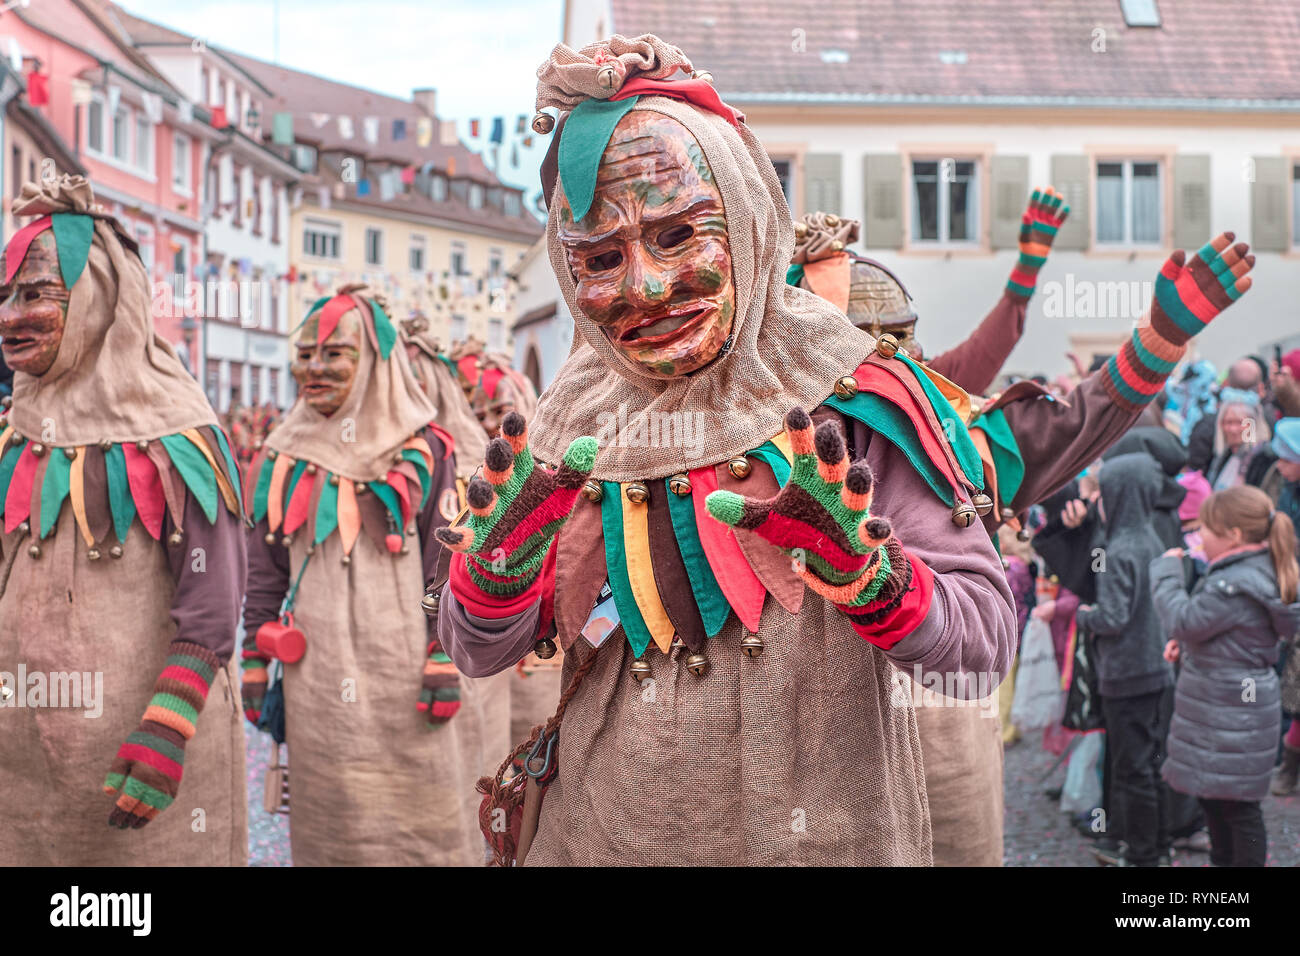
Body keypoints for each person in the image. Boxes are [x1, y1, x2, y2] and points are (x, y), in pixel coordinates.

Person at [434, 34, 1019, 866]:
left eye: (678, 236)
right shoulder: (568, 426)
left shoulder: (850, 401)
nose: (643, 285)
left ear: (745, 220)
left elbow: (982, 649)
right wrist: (492, 580)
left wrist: (869, 577)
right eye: (600, 258)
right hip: (599, 832)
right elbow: (478, 653)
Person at [0, 176, 247, 864]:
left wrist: (166, 728)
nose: (10, 317)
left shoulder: (179, 433)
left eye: (35, 293)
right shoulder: (15, 434)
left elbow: (214, 597)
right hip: (21, 760)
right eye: (4, 296)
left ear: (96, 299)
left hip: (139, 756)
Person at [240, 284, 480, 865]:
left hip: (405, 671)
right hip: (316, 679)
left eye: (334, 355)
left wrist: (442, 655)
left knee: (419, 814)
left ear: (371, 359)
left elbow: (445, 560)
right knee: (332, 818)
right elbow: (266, 566)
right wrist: (253, 654)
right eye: (305, 354)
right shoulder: (280, 453)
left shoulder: (427, 448)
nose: (314, 369)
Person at [1151, 485, 1300, 865]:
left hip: (1228, 709)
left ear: (1233, 535)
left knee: (1234, 810)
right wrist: (1189, 648)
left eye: (1205, 529)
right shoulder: (1250, 573)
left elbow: (1183, 619)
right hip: (1232, 706)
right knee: (1222, 804)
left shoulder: (1230, 585)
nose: (1199, 538)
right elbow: (1230, 635)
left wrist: (1167, 572)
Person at [1076, 453, 1176, 867]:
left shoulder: (1119, 549)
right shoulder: (1152, 538)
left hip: (1128, 674)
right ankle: (1158, 844)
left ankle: (1142, 855)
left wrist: (1085, 616)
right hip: (1157, 670)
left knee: (1133, 770)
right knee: (1151, 766)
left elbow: (1113, 618)